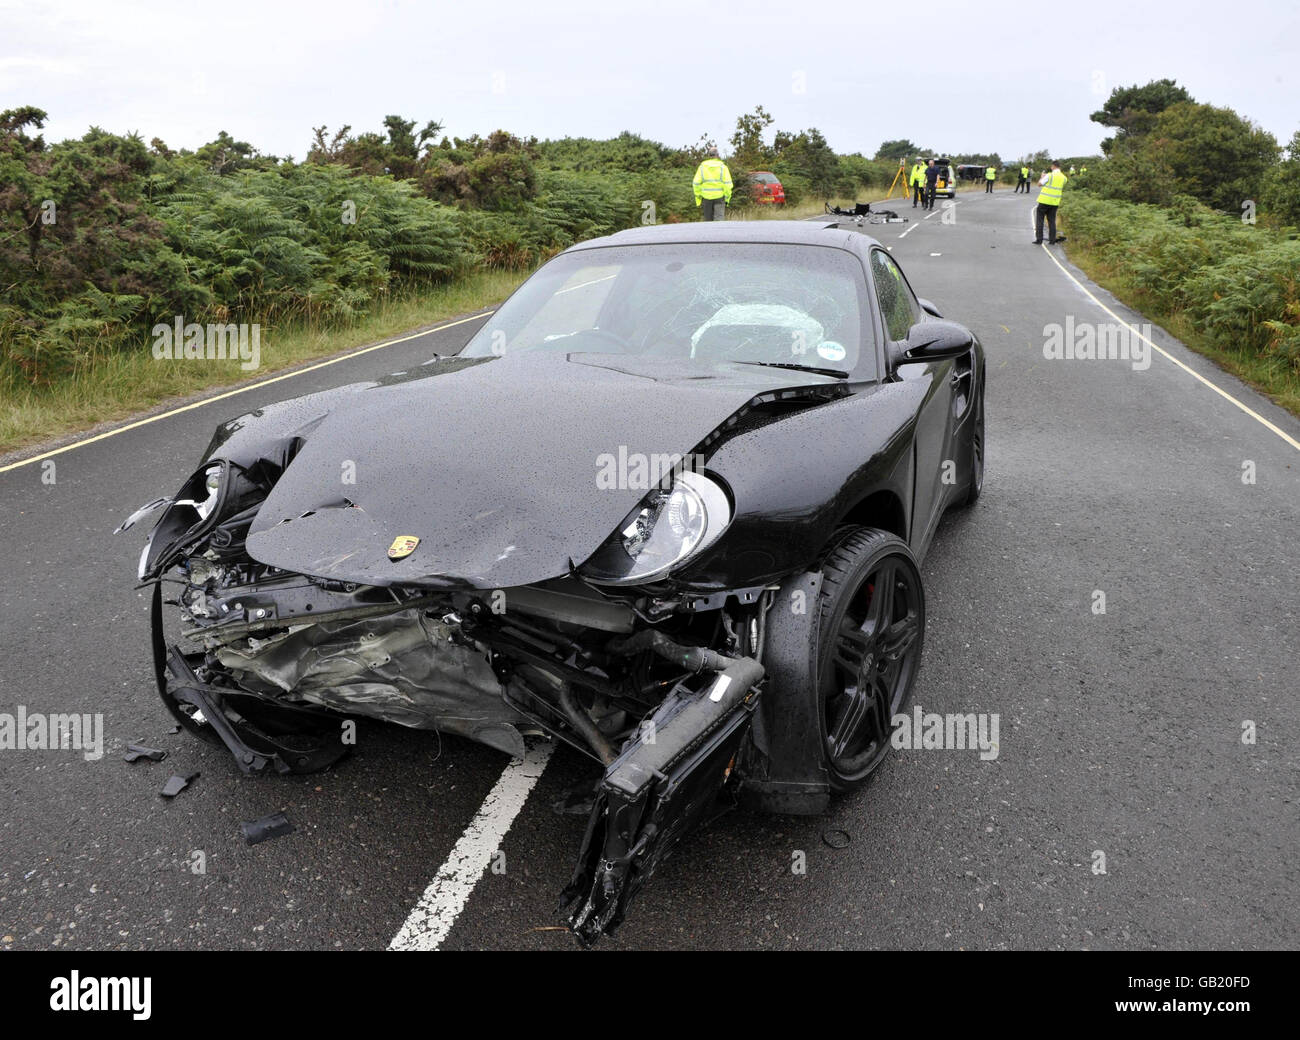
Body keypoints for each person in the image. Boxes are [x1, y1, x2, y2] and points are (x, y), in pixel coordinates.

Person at [693, 146, 733, 221]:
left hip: (706, 197)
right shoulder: (723, 167)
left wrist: (698, 197)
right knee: (719, 220)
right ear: (717, 155)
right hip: (720, 197)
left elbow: (696, 183)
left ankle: (709, 233)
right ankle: (718, 232)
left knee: (708, 221)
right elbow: (728, 184)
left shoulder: (702, 167)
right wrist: (727, 198)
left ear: (709, 155)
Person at [1033, 161, 1068, 244]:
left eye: (1051, 166)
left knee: (1040, 220)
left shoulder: (1049, 175)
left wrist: (1042, 177)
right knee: (1052, 221)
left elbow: (1039, 184)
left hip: (1044, 201)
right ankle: (1052, 240)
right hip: (1055, 202)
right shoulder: (1064, 178)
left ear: (1053, 166)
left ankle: (1039, 239)